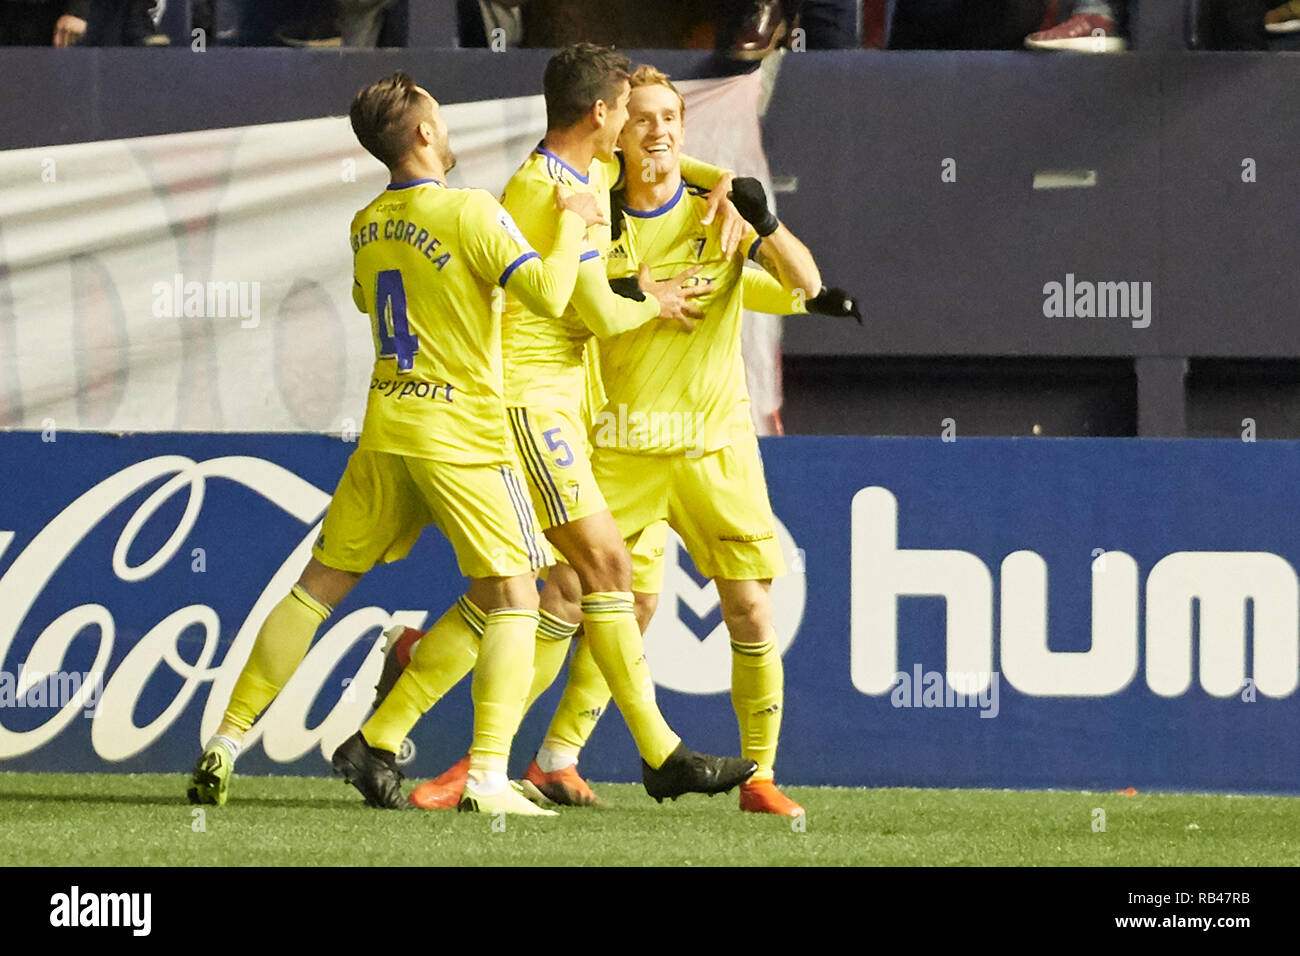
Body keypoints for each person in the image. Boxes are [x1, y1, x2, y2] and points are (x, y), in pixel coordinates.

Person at [187, 71, 604, 816]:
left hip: (387, 427)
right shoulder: (470, 209)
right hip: (463, 434)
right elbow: (548, 293)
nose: (444, 125)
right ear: (421, 133)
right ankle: (486, 777)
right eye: (437, 115)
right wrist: (573, 218)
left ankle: (225, 741)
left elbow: (371, 300)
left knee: (317, 588)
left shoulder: (365, 223)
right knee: (516, 595)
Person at [371, 43, 759, 810]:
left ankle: (382, 733)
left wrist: (728, 187)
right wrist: (656, 299)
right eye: (627, 111)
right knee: (596, 574)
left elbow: (671, 168)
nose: (638, 127)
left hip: (558, 402)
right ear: (600, 114)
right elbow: (590, 311)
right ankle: (653, 752)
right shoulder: (542, 189)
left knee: (523, 591)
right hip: (524, 403)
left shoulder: (587, 175)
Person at [565, 64, 854, 816]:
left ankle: (758, 778)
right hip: (621, 446)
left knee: (748, 610)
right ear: (616, 134)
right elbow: (565, 301)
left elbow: (806, 288)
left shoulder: (717, 214)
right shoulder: (591, 213)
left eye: (670, 117)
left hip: (711, 450)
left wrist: (766, 221)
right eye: (642, 119)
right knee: (573, 602)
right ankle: (535, 760)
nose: (658, 130)